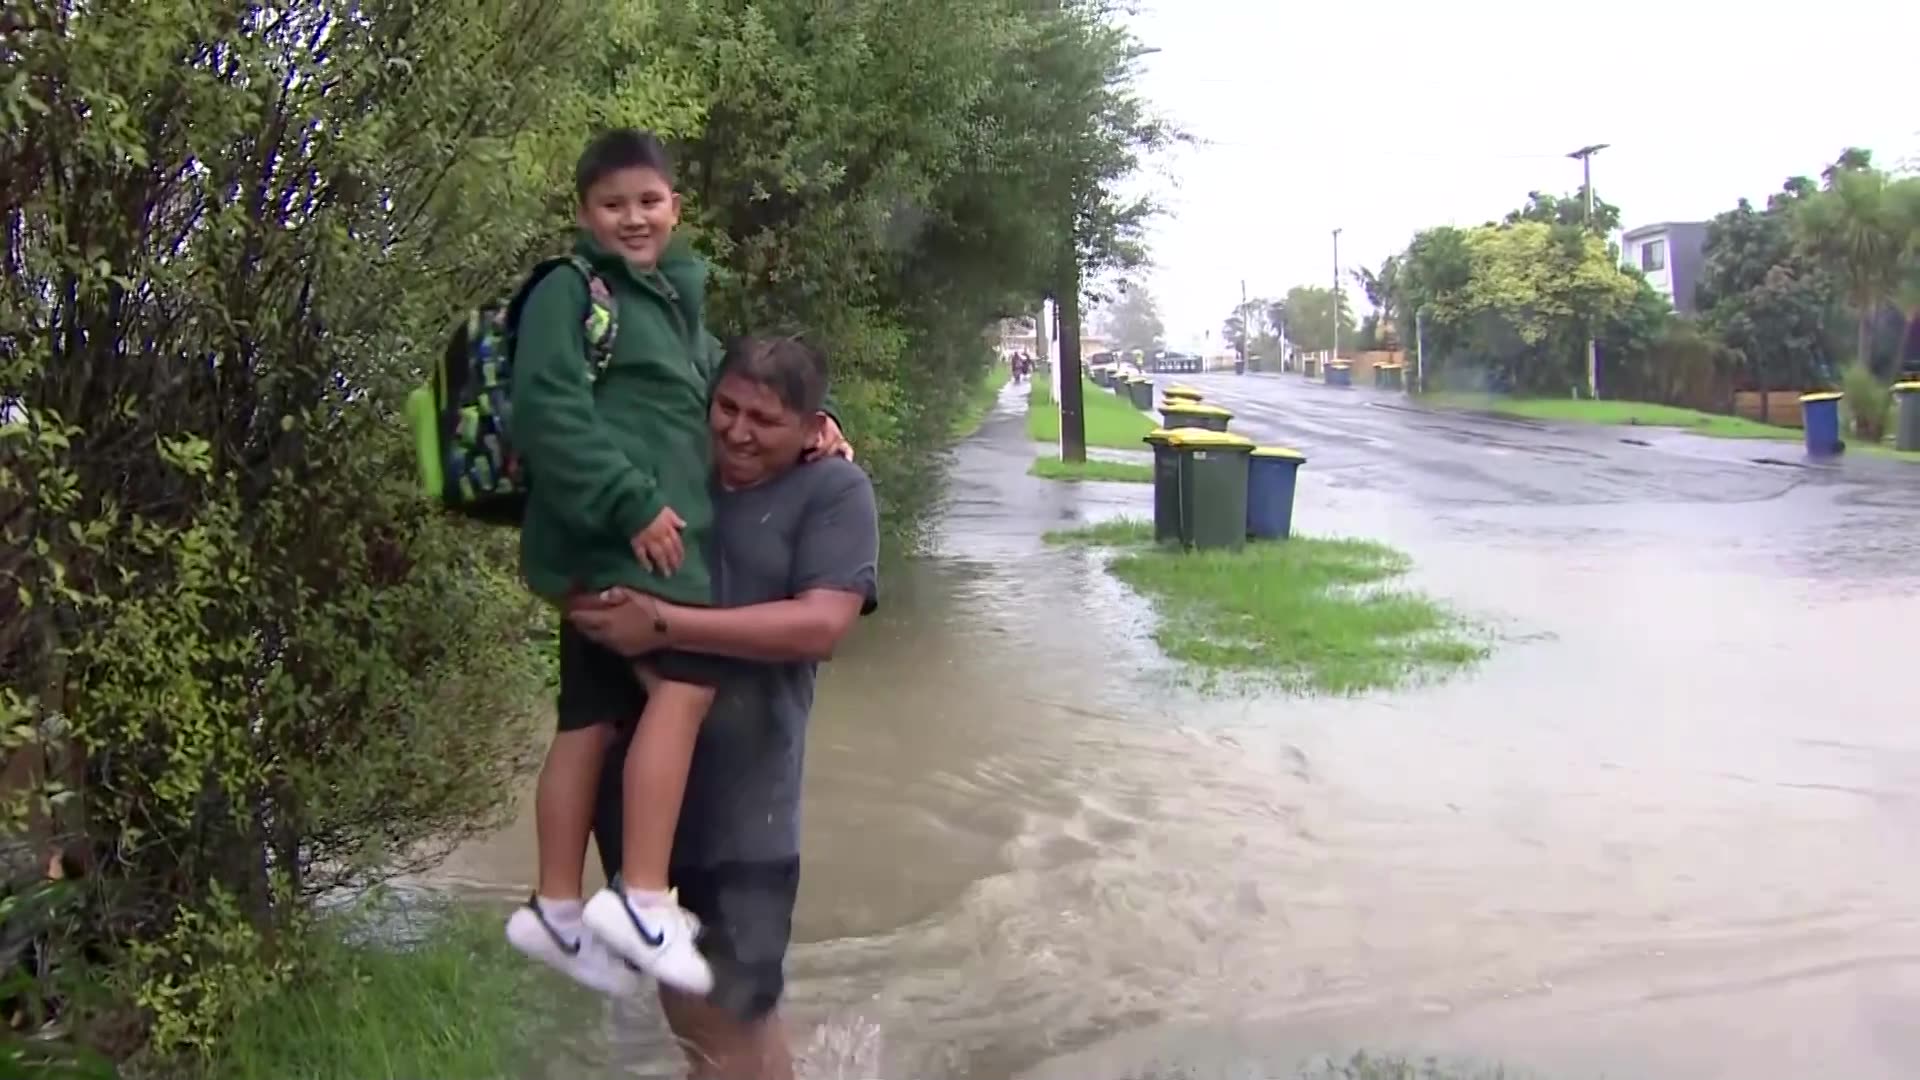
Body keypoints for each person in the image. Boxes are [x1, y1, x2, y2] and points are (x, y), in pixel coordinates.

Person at [506, 129, 855, 997]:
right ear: (584, 213)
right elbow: (547, 407)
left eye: (648, 201)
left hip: (603, 538)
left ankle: (555, 908)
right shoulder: (569, 290)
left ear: (675, 208)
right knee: (686, 685)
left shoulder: (666, 304)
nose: (633, 217)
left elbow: (720, 382)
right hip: (613, 535)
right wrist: (631, 502)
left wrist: (822, 423)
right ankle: (644, 900)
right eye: (613, 204)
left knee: (588, 716)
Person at [568, 335, 880, 1079]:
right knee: (709, 1028)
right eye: (727, 409)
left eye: (765, 421)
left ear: (811, 429)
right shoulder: (673, 466)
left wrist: (668, 627)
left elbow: (821, 625)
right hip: (642, 803)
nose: (737, 432)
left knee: (728, 1023)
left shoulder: (834, 491)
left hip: (748, 814)